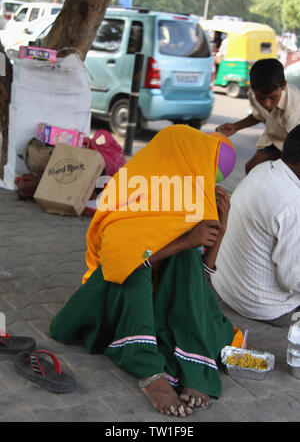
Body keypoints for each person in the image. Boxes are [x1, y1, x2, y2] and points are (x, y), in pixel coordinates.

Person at [50, 125, 243, 417]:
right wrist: (184, 241)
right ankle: (151, 373)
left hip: (160, 305)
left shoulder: (190, 201)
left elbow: (200, 279)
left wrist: (220, 229)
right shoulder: (128, 195)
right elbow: (118, 265)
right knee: (136, 260)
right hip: (119, 297)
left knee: (186, 255)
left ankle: (194, 365)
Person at [211, 125, 300, 328]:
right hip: (262, 306)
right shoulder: (294, 205)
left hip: (225, 286)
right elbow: (291, 280)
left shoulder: (264, 169)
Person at [215, 58, 300, 174]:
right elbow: (259, 115)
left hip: (294, 147)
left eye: (272, 98)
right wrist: (236, 127)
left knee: (281, 177)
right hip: (273, 141)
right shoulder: (254, 95)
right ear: (253, 89)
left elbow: (295, 147)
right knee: (252, 169)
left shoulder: (294, 109)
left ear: (284, 85)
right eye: (261, 98)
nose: (267, 104)